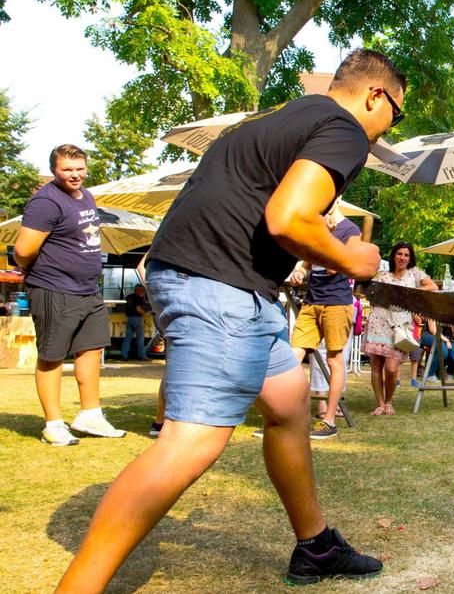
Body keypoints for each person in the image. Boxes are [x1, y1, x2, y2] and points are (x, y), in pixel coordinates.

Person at [57, 49, 403, 590]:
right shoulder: (345, 129)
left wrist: (333, 242)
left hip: (223, 281)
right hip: (219, 285)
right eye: (395, 117)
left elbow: (276, 206)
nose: (387, 130)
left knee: (289, 403)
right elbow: (288, 218)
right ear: (374, 95)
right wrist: (352, 259)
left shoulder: (285, 115)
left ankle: (315, 546)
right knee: (192, 440)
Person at [14, 144, 125, 447]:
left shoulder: (85, 195)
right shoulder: (45, 202)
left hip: (88, 289)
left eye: (80, 169)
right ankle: (53, 425)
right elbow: (23, 251)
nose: (75, 175)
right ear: (54, 170)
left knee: (91, 349)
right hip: (54, 288)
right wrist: (42, 270)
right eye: (67, 170)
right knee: (51, 356)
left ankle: (90, 415)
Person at [288, 206, 362, 439]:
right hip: (311, 302)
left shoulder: (351, 230)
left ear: (337, 199)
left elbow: (334, 266)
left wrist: (324, 235)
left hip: (337, 303)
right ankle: (284, 418)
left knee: (334, 360)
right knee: (291, 357)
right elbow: (308, 262)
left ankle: (328, 420)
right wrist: (300, 272)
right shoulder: (317, 228)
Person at [361, 242, 436, 416]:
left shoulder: (414, 273)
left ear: (410, 258)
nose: (402, 258)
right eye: (399, 254)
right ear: (394, 256)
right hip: (379, 321)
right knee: (376, 365)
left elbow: (433, 286)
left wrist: (410, 293)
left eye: (406, 255)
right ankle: (380, 404)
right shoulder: (382, 275)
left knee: (392, 367)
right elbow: (369, 294)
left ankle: (389, 401)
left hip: (400, 325)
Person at [121, 284, 150, 360]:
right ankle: (142, 355)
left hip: (129, 319)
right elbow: (138, 309)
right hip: (137, 319)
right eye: (143, 291)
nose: (143, 293)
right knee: (140, 338)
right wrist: (146, 313)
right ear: (139, 290)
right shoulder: (138, 298)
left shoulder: (128, 297)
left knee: (127, 338)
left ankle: (124, 355)